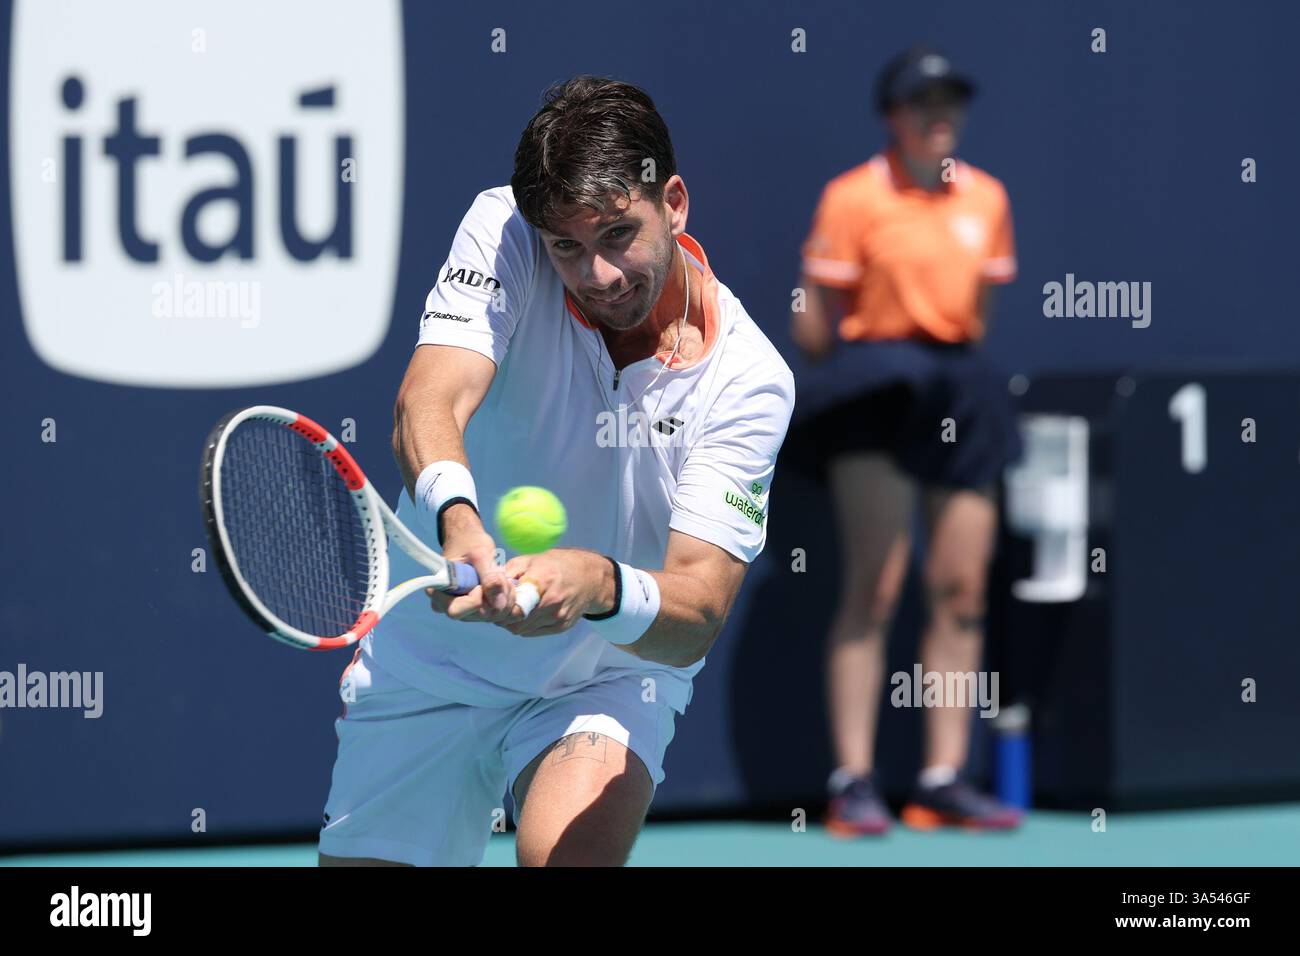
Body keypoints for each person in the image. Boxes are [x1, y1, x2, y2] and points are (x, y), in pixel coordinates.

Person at [318, 75, 796, 866]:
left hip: (606, 677)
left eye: (618, 235)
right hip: (432, 660)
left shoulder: (749, 380)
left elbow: (697, 612)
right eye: (567, 247)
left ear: (673, 202)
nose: (600, 274)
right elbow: (428, 399)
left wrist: (598, 585)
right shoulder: (502, 227)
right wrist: (457, 517)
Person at [789, 47, 1023, 834]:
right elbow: (814, 324)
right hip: (874, 387)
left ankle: (942, 777)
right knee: (877, 587)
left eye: (950, 99)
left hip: (962, 384)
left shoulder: (986, 196)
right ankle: (853, 779)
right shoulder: (852, 197)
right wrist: (875, 368)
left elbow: (979, 318)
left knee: (961, 591)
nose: (939, 114)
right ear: (892, 116)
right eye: (922, 101)